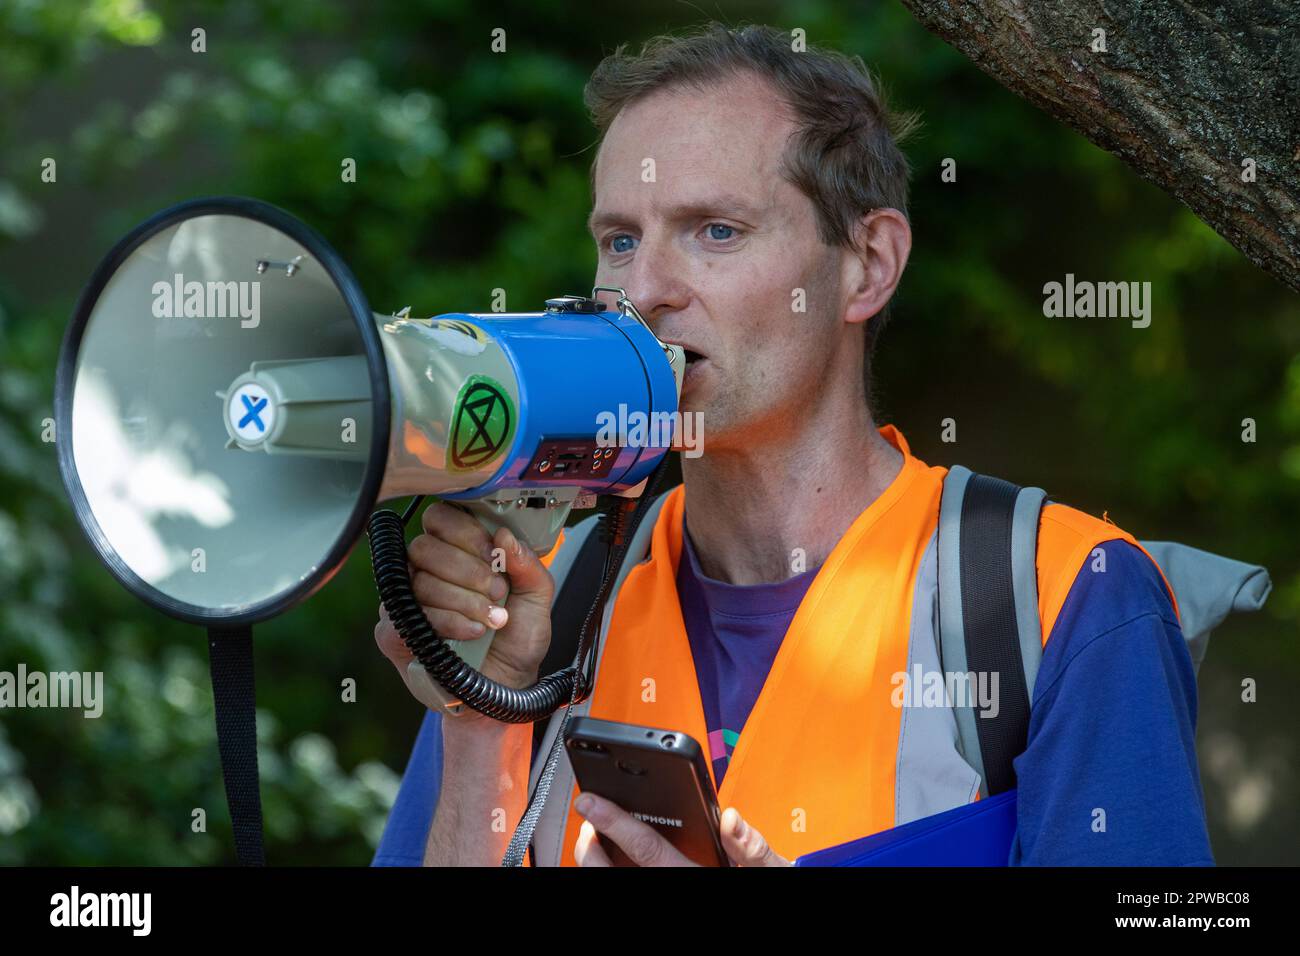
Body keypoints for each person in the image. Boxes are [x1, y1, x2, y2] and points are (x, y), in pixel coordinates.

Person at [371, 22, 1212, 867]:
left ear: (869, 266)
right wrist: (483, 723)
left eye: (716, 231)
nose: (645, 290)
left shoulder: (1062, 596)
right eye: (620, 240)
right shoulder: (547, 596)